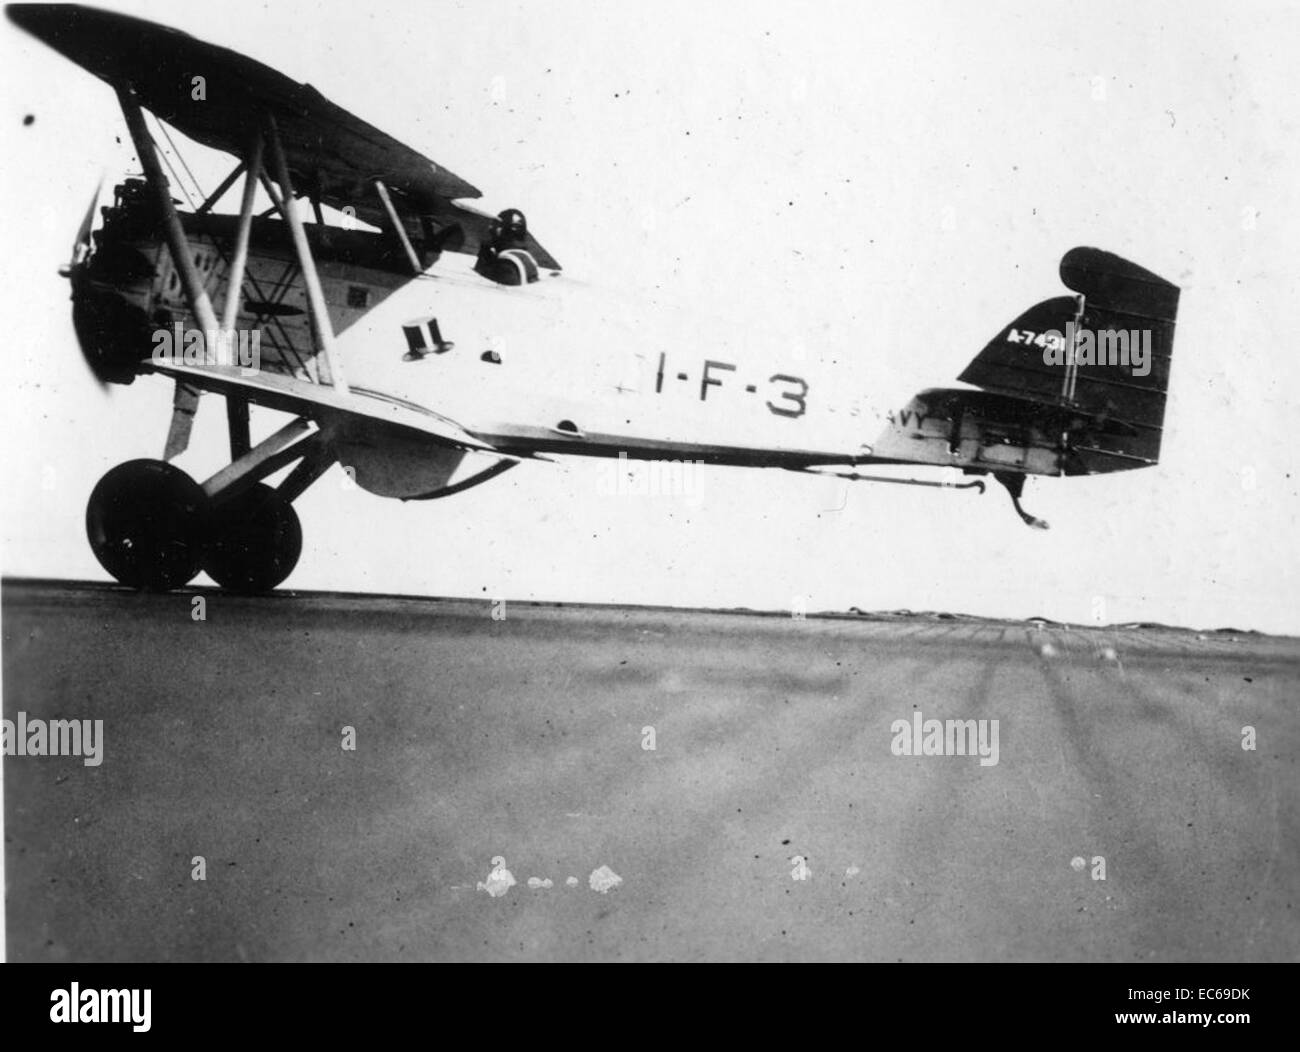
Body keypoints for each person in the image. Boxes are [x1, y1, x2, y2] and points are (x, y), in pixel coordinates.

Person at [474, 208, 538, 285]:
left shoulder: (506, 263)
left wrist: (483, 258)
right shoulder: (527, 258)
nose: (491, 228)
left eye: (498, 225)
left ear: (509, 231)